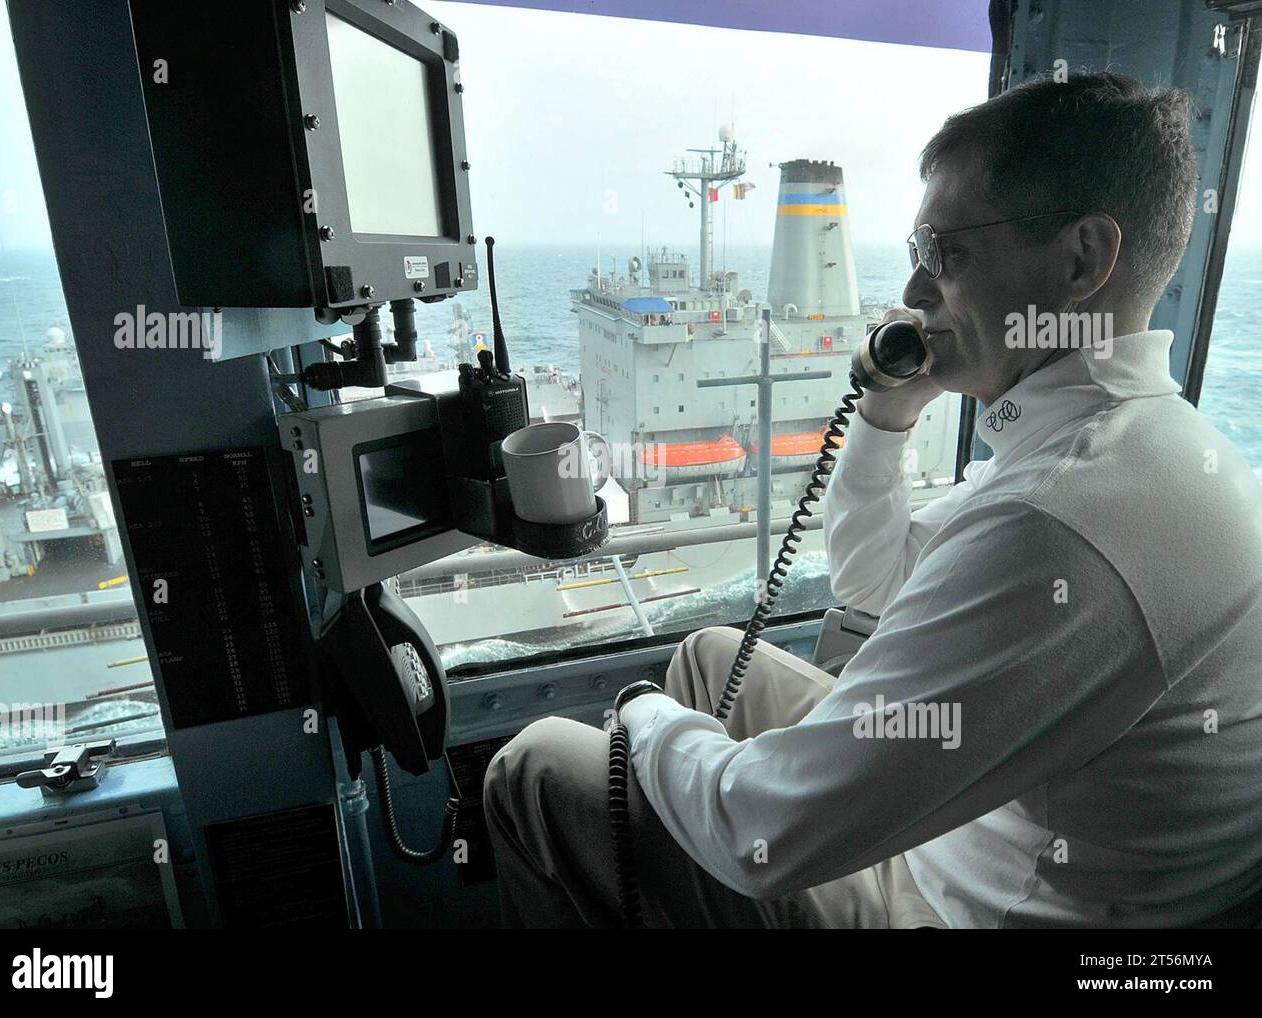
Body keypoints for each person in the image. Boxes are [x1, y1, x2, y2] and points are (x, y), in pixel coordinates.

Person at [483, 71, 1262, 928]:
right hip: (971, 832)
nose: (917, 294)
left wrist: (644, 717)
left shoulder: (1057, 515)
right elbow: (872, 585)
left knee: (538, 764)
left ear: (1082, 260)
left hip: (962, 905)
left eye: (946, 253)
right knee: (711, 657)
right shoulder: (1124, 445)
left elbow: (765, 833)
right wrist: (887, 417)